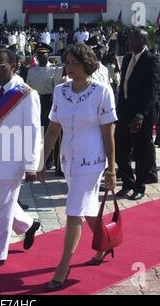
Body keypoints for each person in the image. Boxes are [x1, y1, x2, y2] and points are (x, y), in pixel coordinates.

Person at [38, 43, 117, 290]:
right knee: (88, 208)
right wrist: (42, 160)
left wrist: (112, 169)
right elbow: (53, 129)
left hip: (92, 161)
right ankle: (105, 244)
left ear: (88, 64)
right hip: (68, 161)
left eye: (75, 62)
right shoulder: (60, 91)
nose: (69, 67)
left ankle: (63, 267)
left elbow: (108, 134)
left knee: (74, 211)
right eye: (67, 62)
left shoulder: (102, 91)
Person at [0, 49, 42, 272]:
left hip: (14, 162)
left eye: (0, 65)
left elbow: (33, 132)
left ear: (15, 65)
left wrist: (32, 165)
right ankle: (29, 225)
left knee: (3, 209)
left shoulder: (27, 94)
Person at [115, 29, 160, 201]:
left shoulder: (151, 60)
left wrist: (141, 115)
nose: (130, 41)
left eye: (134, 38)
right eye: (130, 38)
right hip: (124, 112)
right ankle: (127, 183)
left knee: (142, 152)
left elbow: (151, 90)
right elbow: (123, 86)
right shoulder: (126, 58)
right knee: (121, 150)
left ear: (143, 40)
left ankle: (139, 186)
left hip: (142, 115)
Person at [26, 43, 56, 170]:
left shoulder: (54, 70)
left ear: (48, 55)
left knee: (48, 130)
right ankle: (36, 156)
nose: (40, 57)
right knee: (36, 130)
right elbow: (27, 87)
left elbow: (56, 88)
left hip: (48, 101)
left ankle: (49, 159)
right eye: (38, 54)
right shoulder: (32, 71)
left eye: (43, 54)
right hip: (35, 101)